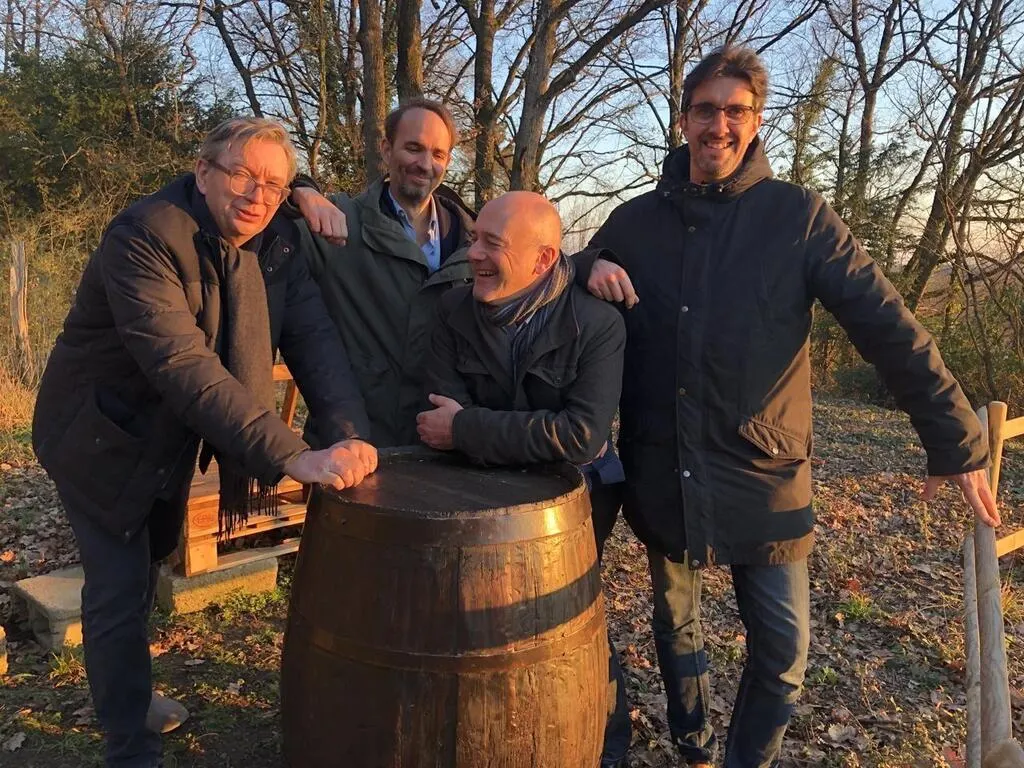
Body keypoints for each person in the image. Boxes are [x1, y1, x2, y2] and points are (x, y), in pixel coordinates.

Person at [574, 46, 1000, 768]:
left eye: (735, 111)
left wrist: (954, 438)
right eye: (705, 109)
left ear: (756, 121)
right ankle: (695, 745)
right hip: (662, 462)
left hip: (763, 471)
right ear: (684, 119)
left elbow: (886, 325)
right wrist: (587, 264)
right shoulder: (633, 221)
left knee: (784, 653)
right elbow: (563, 272)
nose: (719, 125)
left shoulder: (798, 216)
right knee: (676, 627)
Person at [32, 117, 378, 768]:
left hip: (171, 438)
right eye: (242, 174)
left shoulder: (277, 245)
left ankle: (131, 696)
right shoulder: (144, 236)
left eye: (275, 184)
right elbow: (184, 366)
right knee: (116, 584)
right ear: (202, 171)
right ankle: (128, 744)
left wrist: (348, 434)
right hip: (98, 435)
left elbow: (317, 343)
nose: (257, 194)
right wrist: (289, 454)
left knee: (151, 563)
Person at [417, 191, 631, 767]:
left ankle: (603, 744)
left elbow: (582, 438)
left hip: (578, 493)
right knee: (476, 617)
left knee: (567, 616)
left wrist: (470, 430)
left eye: (493, 244)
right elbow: (439, 413)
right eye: (475, 238)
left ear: (542, 261)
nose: (474, 255)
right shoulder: (453, 311)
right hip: (480, 492)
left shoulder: (597, 324)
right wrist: (497, 433)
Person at [292, 98, 476, 447]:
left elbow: (544, 269)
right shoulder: (335, 223)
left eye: (438, 154)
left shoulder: (474, 241)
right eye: (413, 148)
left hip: (441, 454)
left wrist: (592, 262)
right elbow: (258, 201)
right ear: (386, 149)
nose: (425, 164)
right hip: (349, 444)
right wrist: (298, 190)